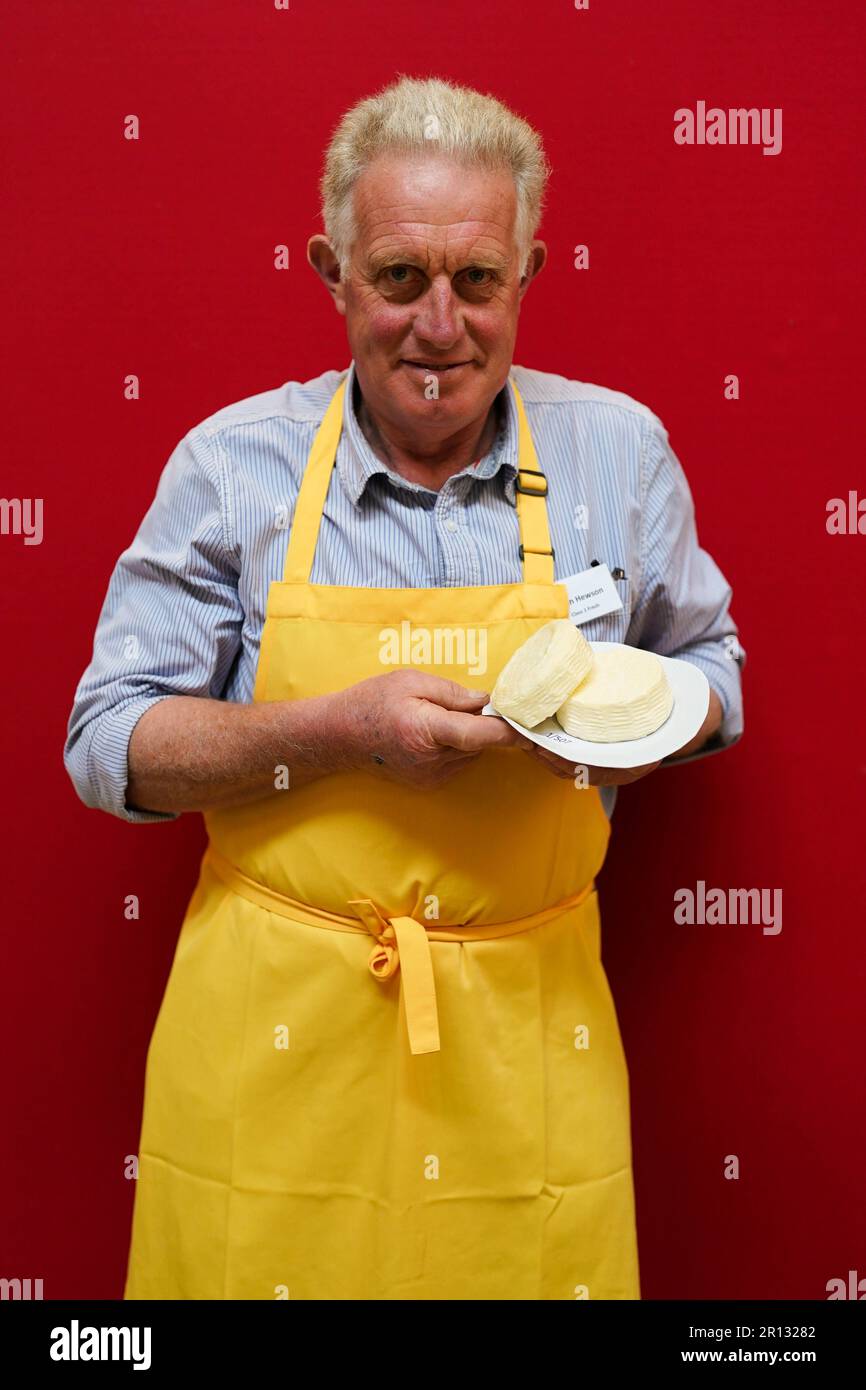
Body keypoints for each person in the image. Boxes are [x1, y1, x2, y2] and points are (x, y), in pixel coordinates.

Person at [64, 75, 745, 1301]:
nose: (439, 327)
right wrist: (334, 733)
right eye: (397, 280)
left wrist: (610, 737)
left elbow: (713, 680)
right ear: (331, 268)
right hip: (274, 1051)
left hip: (528, 1045)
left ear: (528, 270)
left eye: (476, 280)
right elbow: (110, 745)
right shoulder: (233, 467)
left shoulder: (618, 451)